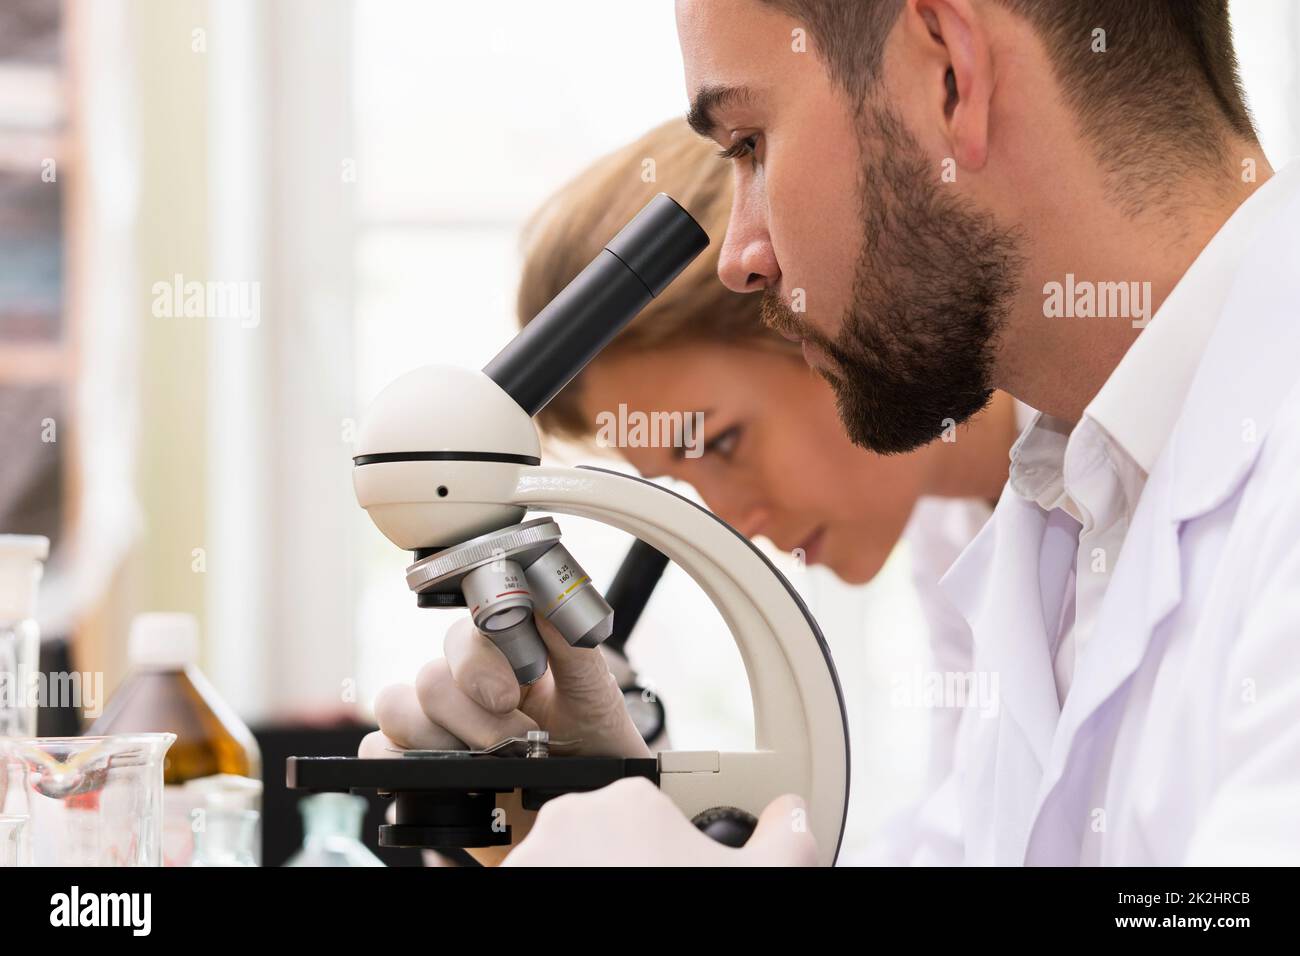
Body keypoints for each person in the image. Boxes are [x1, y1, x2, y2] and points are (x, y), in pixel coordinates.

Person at [387, 0, 1300, 865]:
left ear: (950, 74)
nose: (742, 255)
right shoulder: (1071, 490)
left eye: (750, 143)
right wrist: (618, 797)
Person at [362, 117, 1021, 863]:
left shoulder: (1107, 482)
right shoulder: (958, 536)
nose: (736, 517)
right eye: (679, 482)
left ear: (824, 321)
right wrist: (634, 796)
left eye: (719, 442)